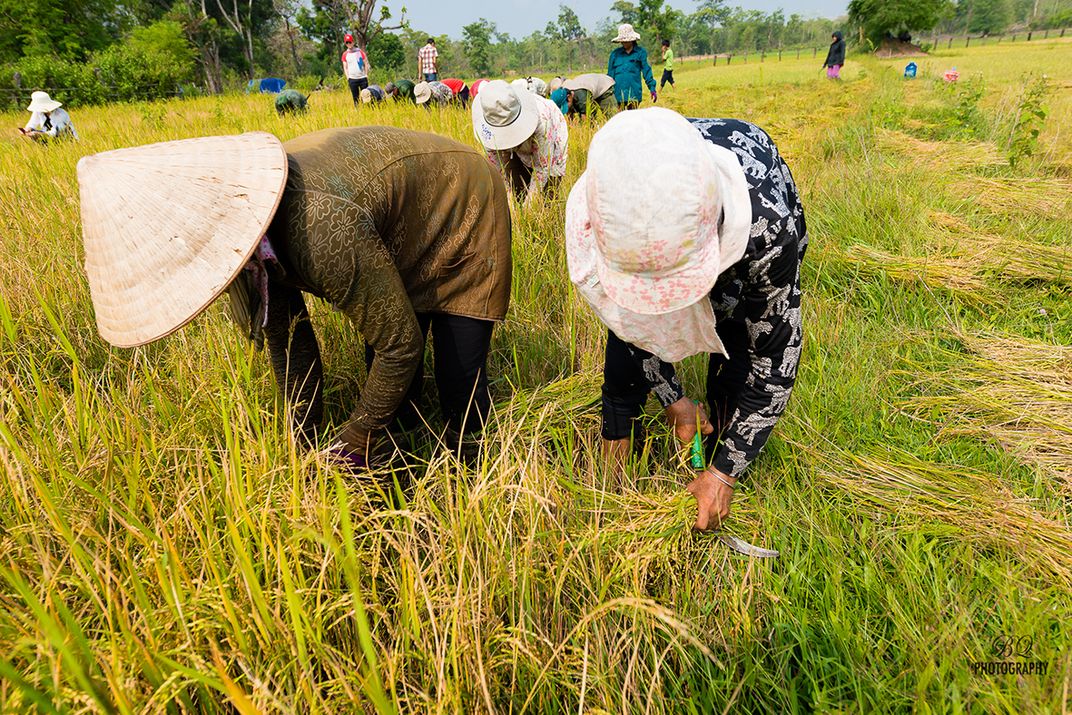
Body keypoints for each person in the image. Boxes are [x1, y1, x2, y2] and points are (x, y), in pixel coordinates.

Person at [77, 127, 512, 467]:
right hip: (392, 224)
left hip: (460, 200)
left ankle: (467, 469)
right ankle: (405, 459)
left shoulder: (319, 228)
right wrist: (300, 443)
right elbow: (289, 342)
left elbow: (399, 347)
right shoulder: (244, 244)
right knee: (397, 395)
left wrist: (356, 436)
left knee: (459, 378)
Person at [565, 108, 807, 531]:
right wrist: (674, 400)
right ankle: (613, 486)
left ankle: (717, 466)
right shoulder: (607, 206)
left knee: (735, 349)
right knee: (628, 350)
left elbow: (774, 360)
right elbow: (630, 324)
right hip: (654, 204)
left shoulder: (766, 230)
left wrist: (724, 472)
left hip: (744, 217)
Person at [472, 80, 568, 207]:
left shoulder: (542, 120)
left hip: (549, 137)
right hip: (514, 149)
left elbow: (543, 168)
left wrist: (529, 206)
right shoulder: (488, 128)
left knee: (546, 197)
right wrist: (509, 200)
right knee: (517, 191)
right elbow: (497, 169)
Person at [607, 24, 656, 109]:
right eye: (622, 41)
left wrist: (652, 88)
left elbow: (646, 71)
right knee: (619, 119)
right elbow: (610, 75)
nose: (624, 43)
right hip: (618, 94)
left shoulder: (640, 53)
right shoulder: (615, 54)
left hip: (634, 93)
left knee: (633, 119)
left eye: (626, 41)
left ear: (632, 40)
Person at [552, 74, 617, 119]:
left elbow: (586, 119)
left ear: (569, 97)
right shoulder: (562, 91)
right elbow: (569, 113)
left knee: (611, 117)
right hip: (588, 89)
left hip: (604, 87)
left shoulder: (580, 96)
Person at [341, 34, 371, 104]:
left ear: (353, 42)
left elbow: (365, 63)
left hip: (362, 78)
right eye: (347, 42)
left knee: (366, 97)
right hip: (352, 79)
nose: (349, 44)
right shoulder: (345, 54)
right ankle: (358, 111)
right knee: (355, 98)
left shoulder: (359, 52)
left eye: (350, 42)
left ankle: (367, 110)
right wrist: (348, 77)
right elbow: (345, 67)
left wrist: (366, 74)